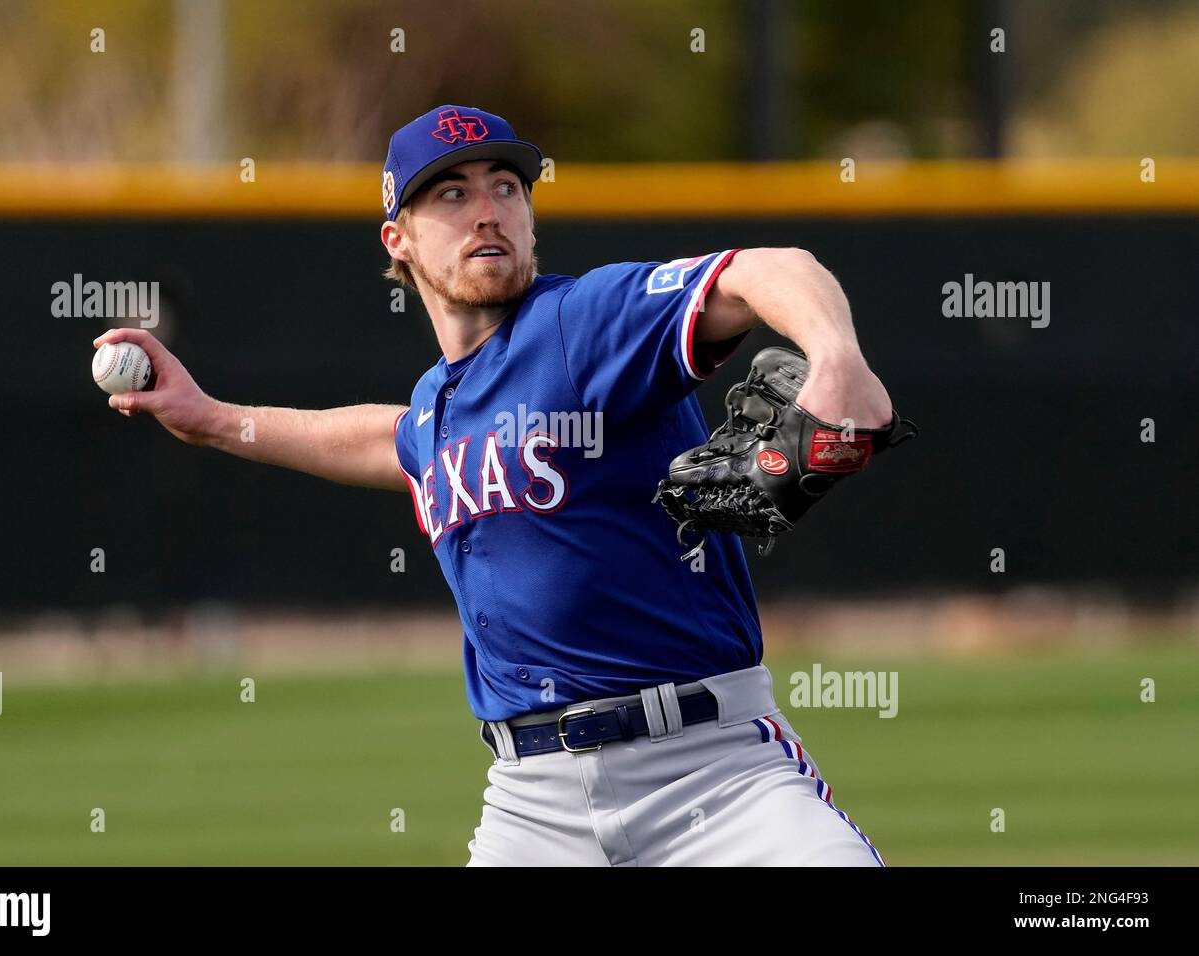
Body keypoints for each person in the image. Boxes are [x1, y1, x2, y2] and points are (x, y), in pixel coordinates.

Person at [95, 104, 894, 866]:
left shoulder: (583, 322)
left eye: (507, 187)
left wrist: (836, 358)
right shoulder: (435, 408)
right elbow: (386, 440)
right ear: (398, 239)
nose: (489, 209)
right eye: (453, 192)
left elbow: (769, 269)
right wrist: (207, 418)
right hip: (532, 802)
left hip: (713, 774)